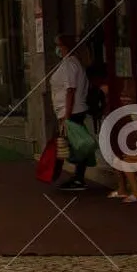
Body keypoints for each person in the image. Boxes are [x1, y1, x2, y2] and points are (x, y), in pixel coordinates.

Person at [49, 33, 91, 190]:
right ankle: (77, 176)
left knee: (76, 144)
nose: (57, 49)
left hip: (72, 111)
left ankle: (78, 178)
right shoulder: (70, 63)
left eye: (58, 45)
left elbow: (70, 91)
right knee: (74, 144)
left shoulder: (70, 65)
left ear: (64, 47)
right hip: (71, 111)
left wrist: (66, 117)